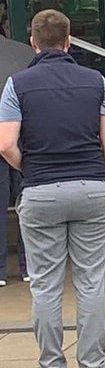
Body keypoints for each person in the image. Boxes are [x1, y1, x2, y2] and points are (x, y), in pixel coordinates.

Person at [0, 10, 105, 367]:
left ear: (33, 43)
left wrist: (30, 166)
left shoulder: (17, 85)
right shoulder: (97, 81)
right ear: (69, 41)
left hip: (40, 191)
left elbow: (6, 144)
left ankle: (51, 361)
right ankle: (92, 362)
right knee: (90, 281)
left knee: (45, 284)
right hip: (91, 189)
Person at [0, 34, 34, 287]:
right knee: (26, 203)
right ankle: (28, 266)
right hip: (24, 137)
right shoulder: (25, 54)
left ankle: (0, 271)